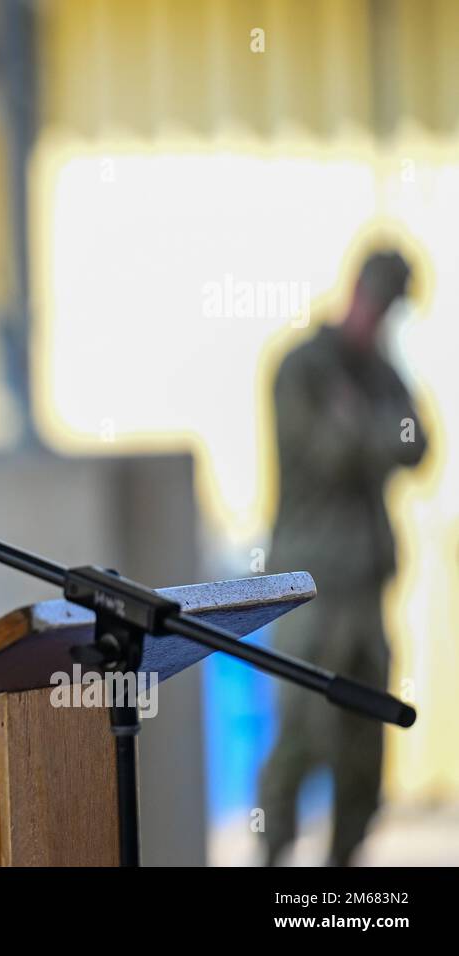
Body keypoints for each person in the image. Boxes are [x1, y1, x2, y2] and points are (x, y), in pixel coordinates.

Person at [257, 249, 428, 867]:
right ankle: (274, 860)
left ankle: (342, 881)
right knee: (300, 736)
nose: (383, 319)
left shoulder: (378, 373)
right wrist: (372, 431)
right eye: (381, 303)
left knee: (362, 751)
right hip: (312, 589)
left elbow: (418, 442)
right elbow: (330, 451)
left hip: (365, 592)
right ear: (358, 292)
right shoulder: (303, 368)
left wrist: (366, 423)